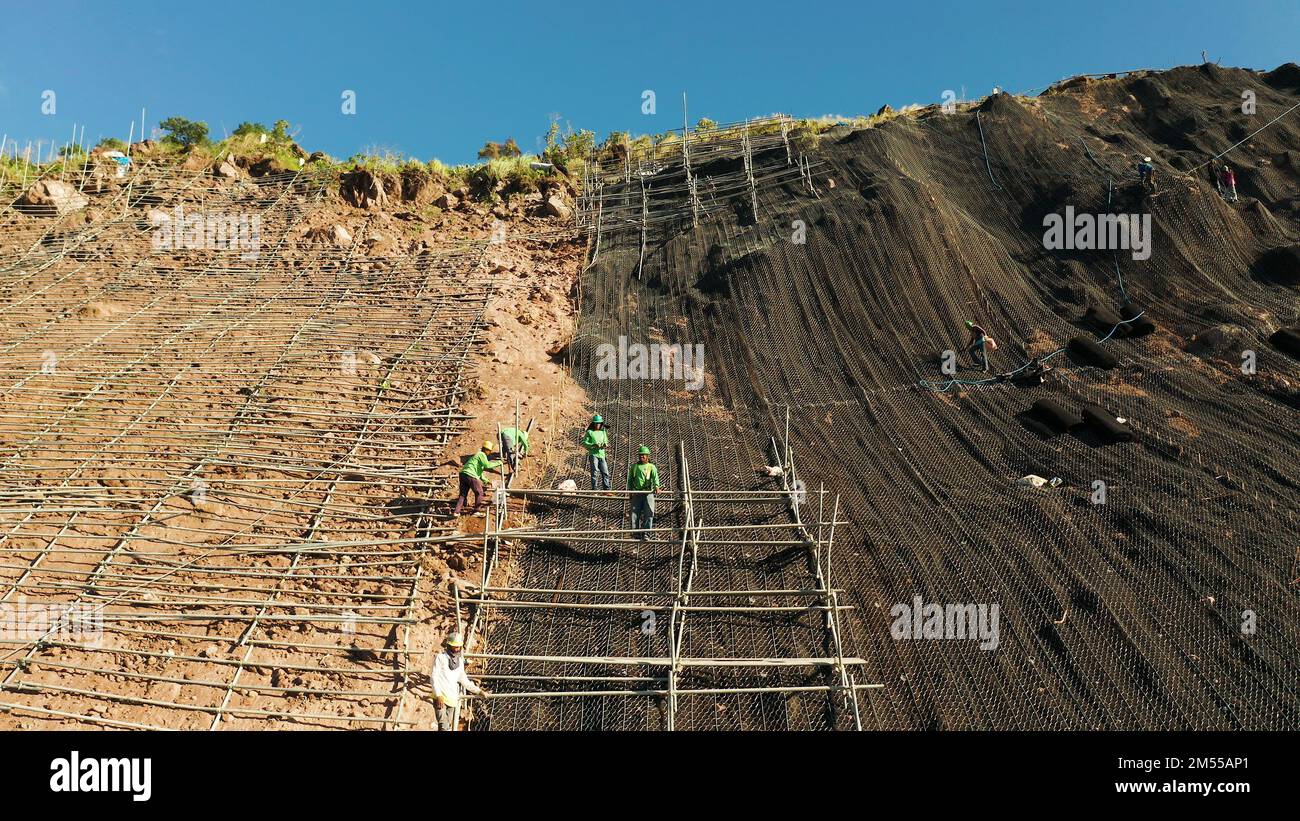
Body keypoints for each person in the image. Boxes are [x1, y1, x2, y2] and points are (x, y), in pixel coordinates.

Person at [431, 632, 481, 731]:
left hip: (452, 700)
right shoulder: (441, 658)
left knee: (445, 728)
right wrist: (438, 695)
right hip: (440, 698)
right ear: (449, 645)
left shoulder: (460, 662)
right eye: (454, 647)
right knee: (444, 727)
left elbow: (464, 680)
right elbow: (434, 677)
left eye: (458, 647)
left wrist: (478, 691)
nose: (457, 649)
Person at [451, 440, 502, 517]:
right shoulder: (481, 454)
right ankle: (476, 511)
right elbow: (487, 465)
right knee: (479, 492)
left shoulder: (476, 457)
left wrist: (487, 481)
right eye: (489, 451)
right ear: (487, 450)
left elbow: (480, 473)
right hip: (470, 474)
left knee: (463, 495)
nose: (489, 453)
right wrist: (499, 462)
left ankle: (456, 512)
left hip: (463, 474)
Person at [627, 445, 663, 541]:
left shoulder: (651, 467)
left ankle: (646, 533)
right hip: (637, 493)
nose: (641, 456)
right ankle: (636, 533)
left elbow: (655, 478)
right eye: (640, 455)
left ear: (647, 456)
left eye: (644, 455)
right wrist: (629, 492)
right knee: (634, 514)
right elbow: (630, 480)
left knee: (649, 513)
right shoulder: (634, 467)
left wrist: (657, 487)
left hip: (648, 493)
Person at [582, 414, 610, 491]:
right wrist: (593, 445)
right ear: (593, 424)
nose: (598, 425)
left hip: (602, 454)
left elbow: (606, 441)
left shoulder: (603, 432)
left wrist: (605, 444)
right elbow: (584, 443)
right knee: (595, 472)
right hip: (593, 454)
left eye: (599, 423)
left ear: (601, 424)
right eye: (596, 423)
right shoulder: (590, 432)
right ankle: (595, 488)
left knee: (605, 472)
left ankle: (606, 489)